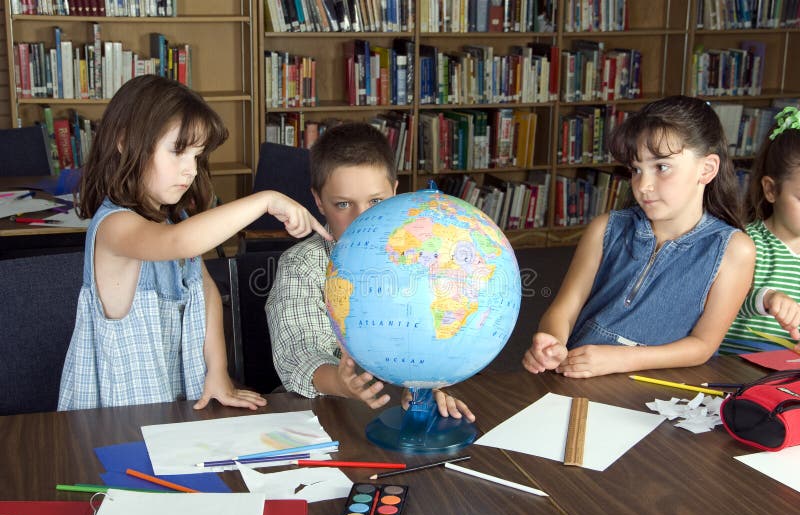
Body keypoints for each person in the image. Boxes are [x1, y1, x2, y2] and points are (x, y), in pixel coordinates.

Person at [57, 75, 330, 411]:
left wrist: (218, 371)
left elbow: (207, 293)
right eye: (178, 152)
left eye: (197, 157)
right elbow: (178, 243)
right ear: (125, 142)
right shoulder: (115, 226)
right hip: (117, 417)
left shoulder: (175, 219)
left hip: (174, 407)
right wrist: (266, 200)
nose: (189, 171)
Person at [523, 95, 756, 378]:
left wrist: (618, 359)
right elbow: (563, 309)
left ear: (706, 169)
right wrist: (553, 343)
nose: (643, 185)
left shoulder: (734, 250)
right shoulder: (605, 228)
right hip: (574, 374)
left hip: (656, 386)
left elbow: (702, 346)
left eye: (661, 167)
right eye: (636, 170)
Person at [266, 122, 475, 421]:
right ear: (318, 202)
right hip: (327, 412)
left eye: (376, 201)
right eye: (343, 204)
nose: (363, 218)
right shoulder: (302, 267)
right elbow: (300, 351)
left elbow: (436, 330)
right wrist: (339, 381)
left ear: (395, 191)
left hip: (394, 407)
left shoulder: (427, 256)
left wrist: (425, 382)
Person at [723, 106, 800, 352]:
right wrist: (767, 299)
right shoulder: (745, 243)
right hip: (734, 369)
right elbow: (722, 302)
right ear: (770, 190)